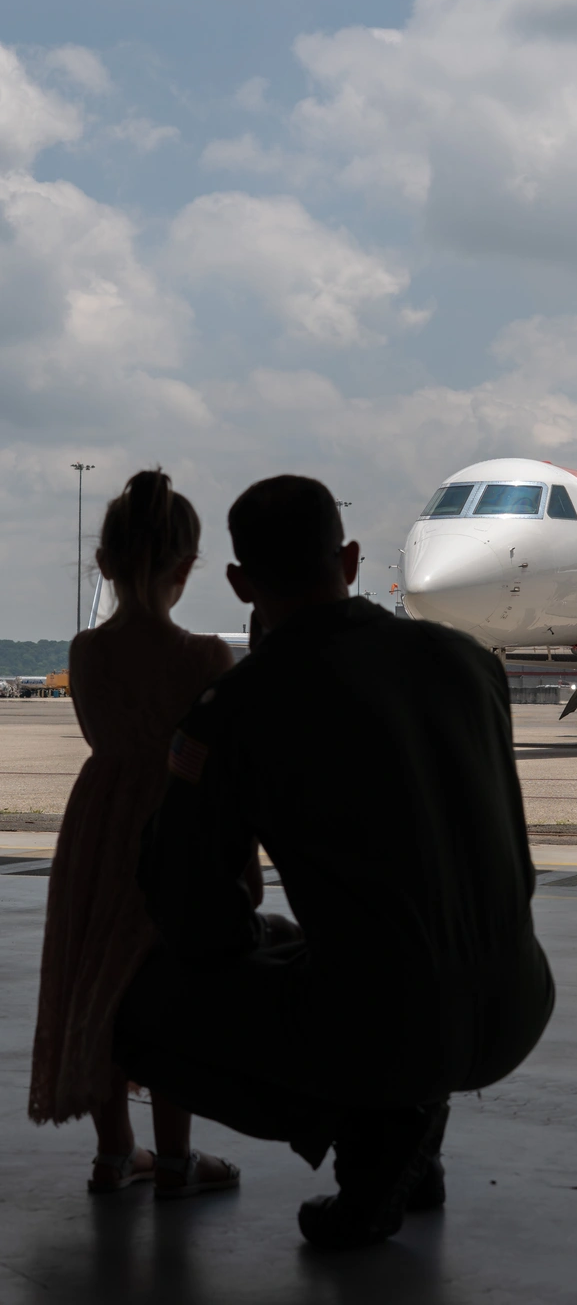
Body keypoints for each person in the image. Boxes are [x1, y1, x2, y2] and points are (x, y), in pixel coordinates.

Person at [114, 474, 555, 1251]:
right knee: (313, 944)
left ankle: (375, 1135)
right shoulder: (470, 665)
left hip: (397, 1029)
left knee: (141, 1015)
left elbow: (190, 907)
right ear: (350, 561)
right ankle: (408, 1137)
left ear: (241, 582)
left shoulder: (244, 703)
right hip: (517, 1000)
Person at [29, 470, 243, 1197]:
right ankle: (177, 1157)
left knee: (98, 983)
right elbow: (212, 765)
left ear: (105, 564)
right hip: (175, 825)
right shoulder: (206, 656)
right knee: (166, 985)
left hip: (96, 830)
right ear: (186, 567)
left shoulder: (86, 653)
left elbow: (104, 736)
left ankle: (114, 1152)